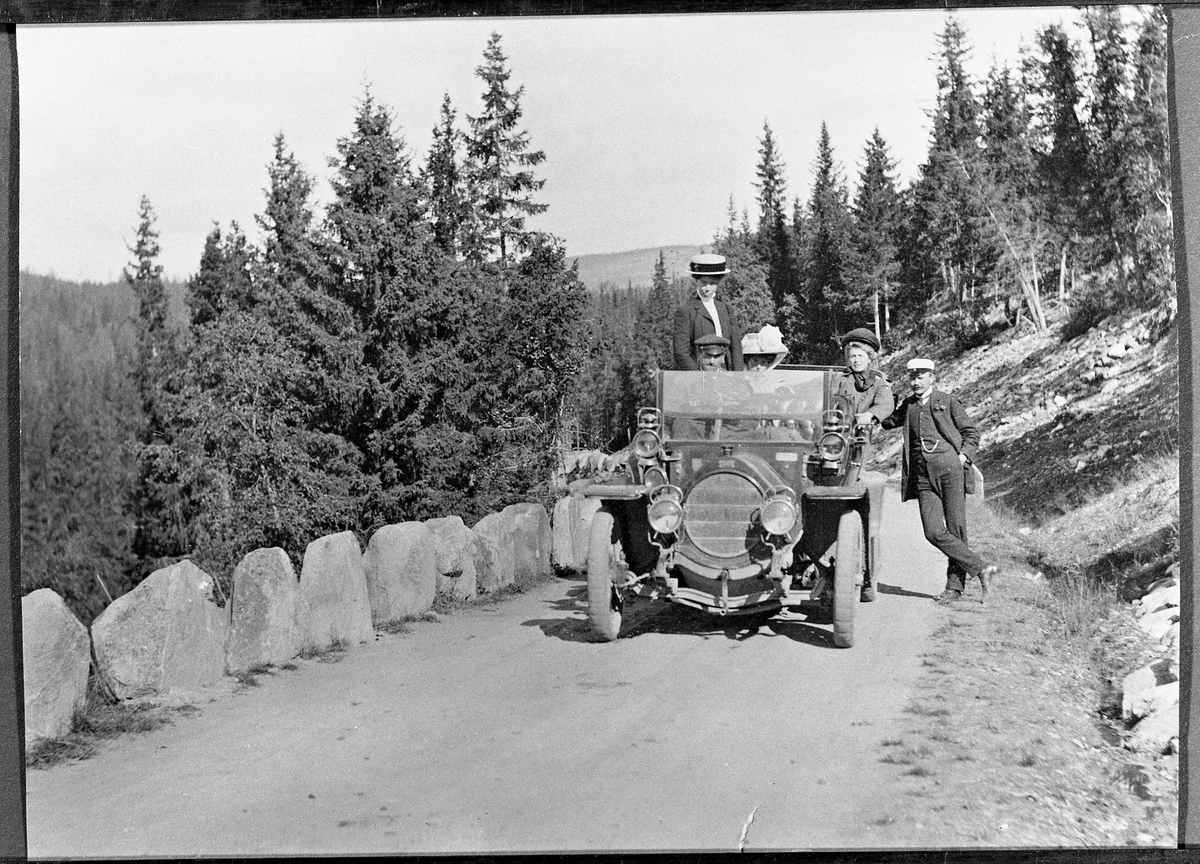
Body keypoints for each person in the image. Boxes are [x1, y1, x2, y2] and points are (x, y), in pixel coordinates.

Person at [880, 358, 997, 604]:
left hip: (950, 471)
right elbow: (888, 421)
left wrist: (963, 457)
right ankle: (982, 567)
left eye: (921, 376)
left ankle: (954, 588)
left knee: (956, 528)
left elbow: (971, 432)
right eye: (912, 377)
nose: (916, 381)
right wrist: (885, 396)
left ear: (932, 377)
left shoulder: (948, 401)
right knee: (933, 531)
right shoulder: (909, 405)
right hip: (922, 475)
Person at [673, 253, 744, 371]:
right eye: (703, 282)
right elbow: (681, 352)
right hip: (700, 375)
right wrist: (699, 377)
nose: (707, 288)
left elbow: (736, 347)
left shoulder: (726, 309)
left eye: (712, 284)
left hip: (726, 374)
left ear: (718, 283)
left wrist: (738, 376)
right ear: (696, 281)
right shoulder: (686, 311)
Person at [832, 328, 894, 429]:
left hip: (862, 436)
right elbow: (826, 401)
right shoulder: (839, 379)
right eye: (852, 356)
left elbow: (886, 404)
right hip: (836, 433)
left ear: (869, 358)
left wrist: (870, 414)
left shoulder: (878, 382)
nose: (857, 360)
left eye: (860, 356)